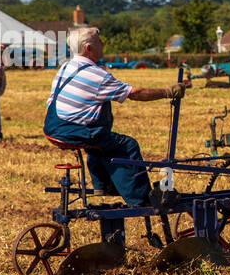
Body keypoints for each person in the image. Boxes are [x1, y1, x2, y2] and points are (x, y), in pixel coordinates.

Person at [43, 26, 189, 246]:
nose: (103, 43)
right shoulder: (96, 75)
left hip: (54, 126)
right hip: (73, 129)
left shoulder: (67, 67)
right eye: (99, 41)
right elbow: (135, 94)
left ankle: (103, 185)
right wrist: (167, 92)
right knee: (127, 145)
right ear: (89, 48)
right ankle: (141, 199)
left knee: (102, 140)